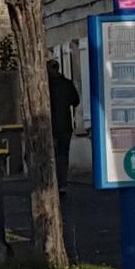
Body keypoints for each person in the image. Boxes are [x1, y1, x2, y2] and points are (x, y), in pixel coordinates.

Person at [47, 58, 80, 193]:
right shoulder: (67, 84)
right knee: (63, 155)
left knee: (52, 156)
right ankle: (62, 184)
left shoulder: (46, 86)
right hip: (66, 125)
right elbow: (75, 101)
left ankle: (53, 183)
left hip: (51, 126)